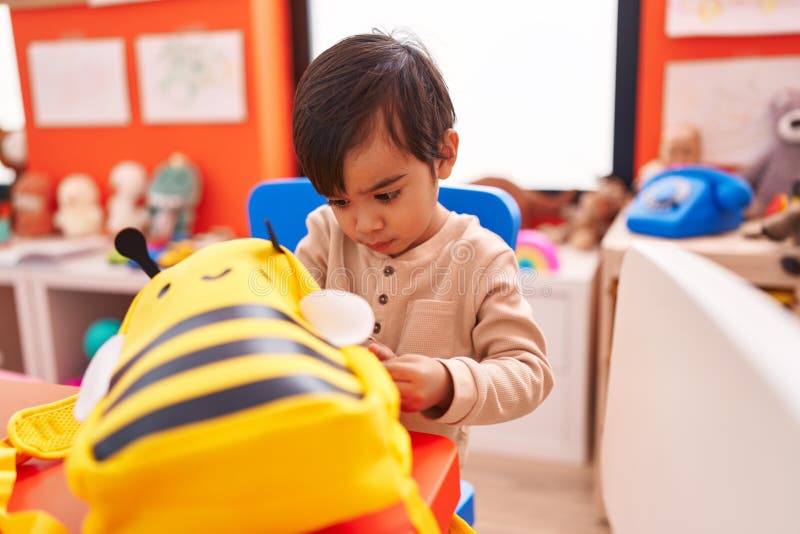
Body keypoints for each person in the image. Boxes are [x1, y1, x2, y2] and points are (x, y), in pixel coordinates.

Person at [293, 32, 553, 460]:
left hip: (421, 473)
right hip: (329, 454)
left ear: (444, 155)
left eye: (386, 195)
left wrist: (446, 382)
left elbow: (529, 373)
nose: (364, 223)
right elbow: (288, 320)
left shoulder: (482, 260)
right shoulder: (325, 234)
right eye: (340, 200)